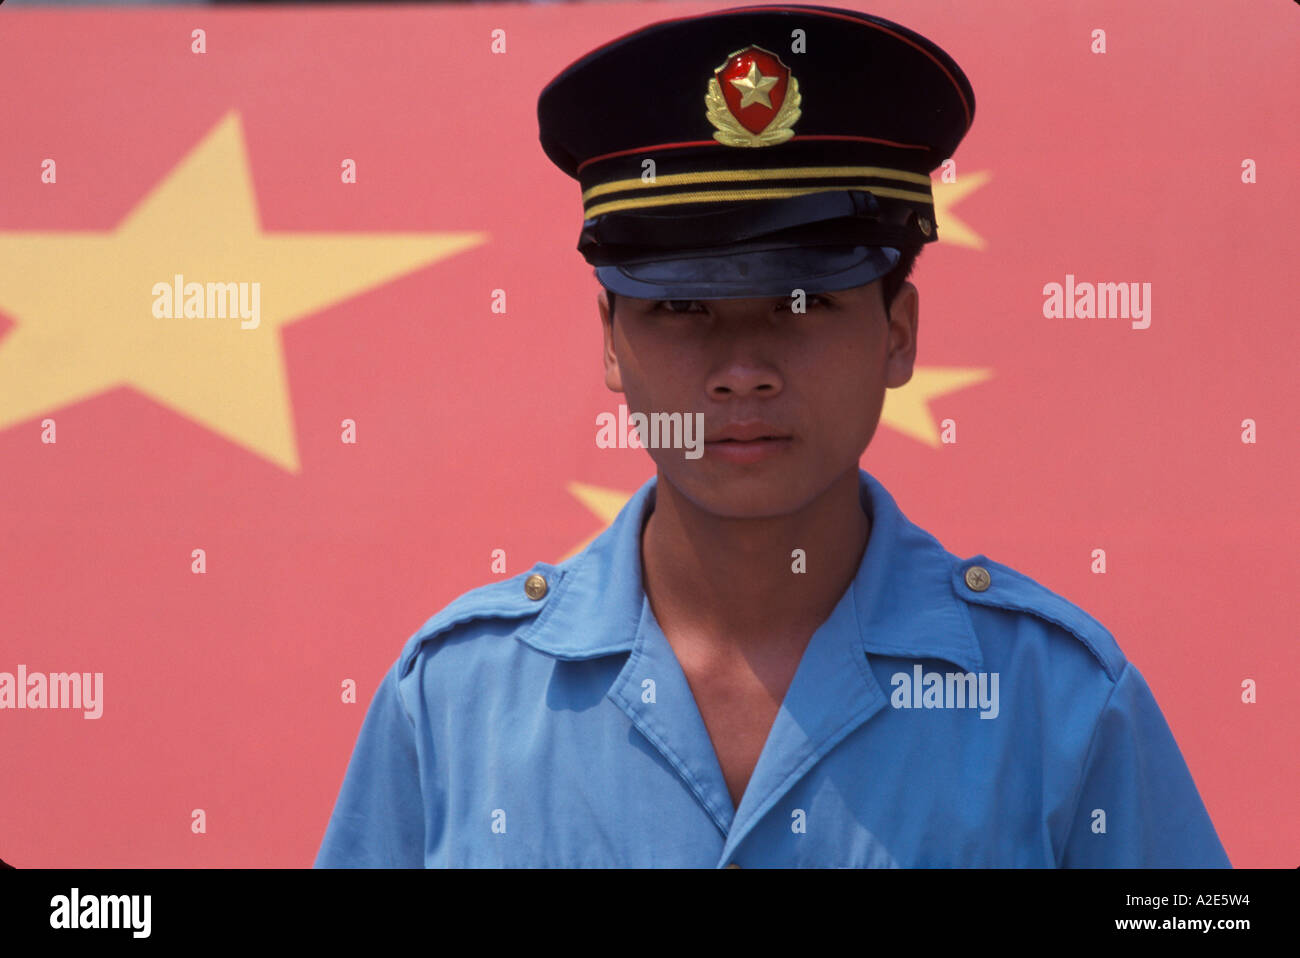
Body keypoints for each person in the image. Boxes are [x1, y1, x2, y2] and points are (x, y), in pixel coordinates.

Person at [315, 3, 1230, 867]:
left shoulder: (1059, 706)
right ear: (611, 344)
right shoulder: (453, 706)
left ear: (898, 335)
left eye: (806, 303)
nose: (743, 367)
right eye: (681, 304)